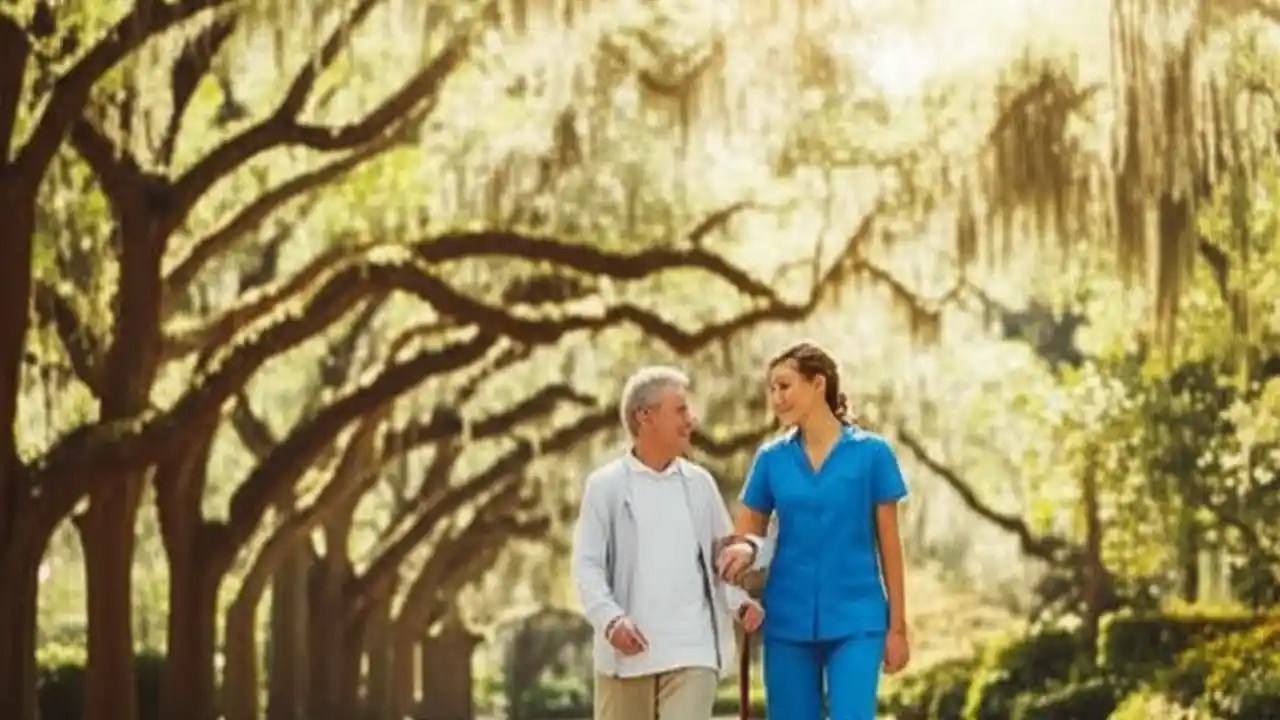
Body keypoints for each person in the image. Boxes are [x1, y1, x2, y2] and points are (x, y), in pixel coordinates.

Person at [715, 340, 910, 720]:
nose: (776, 397)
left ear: (818, 384)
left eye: (784, 386)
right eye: (771, 389)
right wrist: (739, 591)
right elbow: (743, 538)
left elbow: (890, 546)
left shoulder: (873, 454)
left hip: (858, 619)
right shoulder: (770, 459)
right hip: (787, 622)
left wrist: (897, 629)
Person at [571, 365, 765, 720]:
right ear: (644, 417)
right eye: (680, 409)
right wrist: (611, 621)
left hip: (694, 652)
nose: (691, 420)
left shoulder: (700, 484)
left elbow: (722, 561)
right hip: (626, 656)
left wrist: (739, 603)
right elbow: (587, 566)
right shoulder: (606, 486)